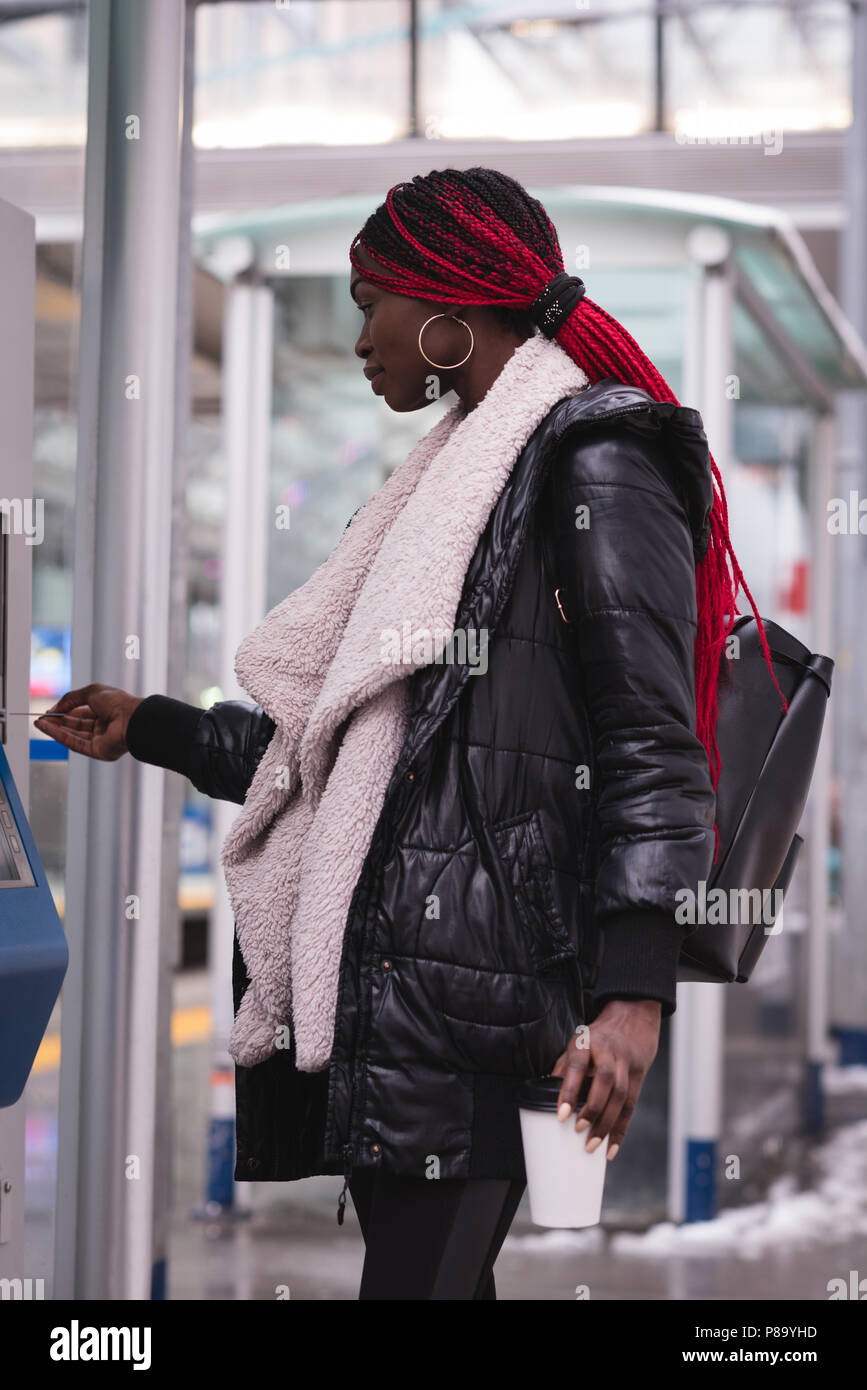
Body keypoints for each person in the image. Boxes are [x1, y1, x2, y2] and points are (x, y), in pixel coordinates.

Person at [35, 167, 780, 1301]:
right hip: (405, 1000)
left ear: (445, 309)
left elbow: (651, 745)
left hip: (485, 1005)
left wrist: (635, 995)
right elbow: (348, 766)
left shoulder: (592, 464)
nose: (359, 341)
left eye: (365, 302)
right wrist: (157, 727)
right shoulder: (452, 493)